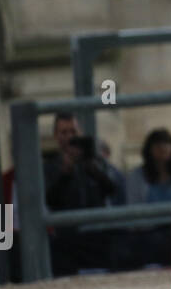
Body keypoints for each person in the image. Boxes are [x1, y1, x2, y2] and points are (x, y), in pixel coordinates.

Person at [42, 112, 126, 274]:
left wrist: (91, 167)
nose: (69, 137)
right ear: (55, 136)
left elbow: (112, 189)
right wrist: (65, 174)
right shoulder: (49, 167)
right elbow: (51, 201)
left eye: (73, 132)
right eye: (64, 132)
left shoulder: (96, 161)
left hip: (99, 232)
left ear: (80, 133)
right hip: (67, 236)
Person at [124, 128, 171, 266]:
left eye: (166, 144)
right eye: (158, 145)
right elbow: (133, 211)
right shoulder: (135, 176)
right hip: (147, 232)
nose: (163, 148)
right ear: (149, 150)